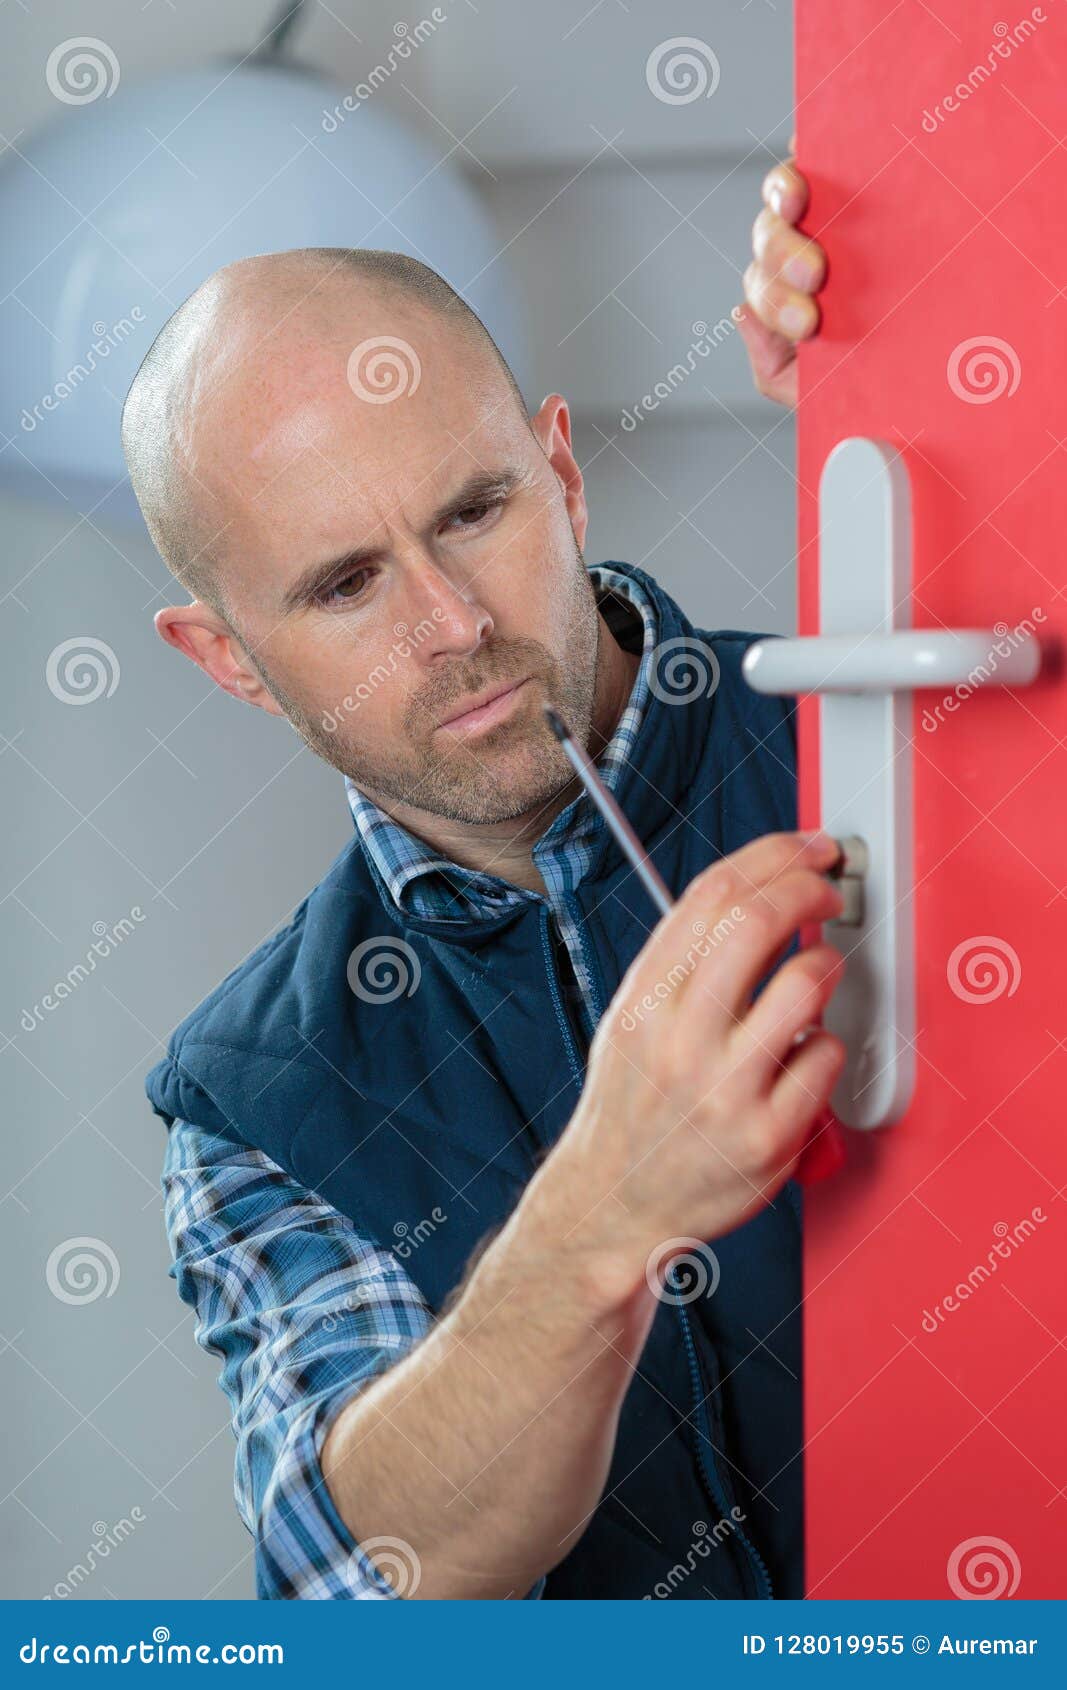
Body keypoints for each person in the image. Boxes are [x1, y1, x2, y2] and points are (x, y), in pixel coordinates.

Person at [131, 149, 833, 1601]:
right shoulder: (247, 1100)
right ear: (224, 658)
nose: (453, 623)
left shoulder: (913, 738)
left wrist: (982, 414)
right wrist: (602, 1216)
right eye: (344, 584)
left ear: (561, 469)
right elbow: (367, 1586)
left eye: (473, 511)